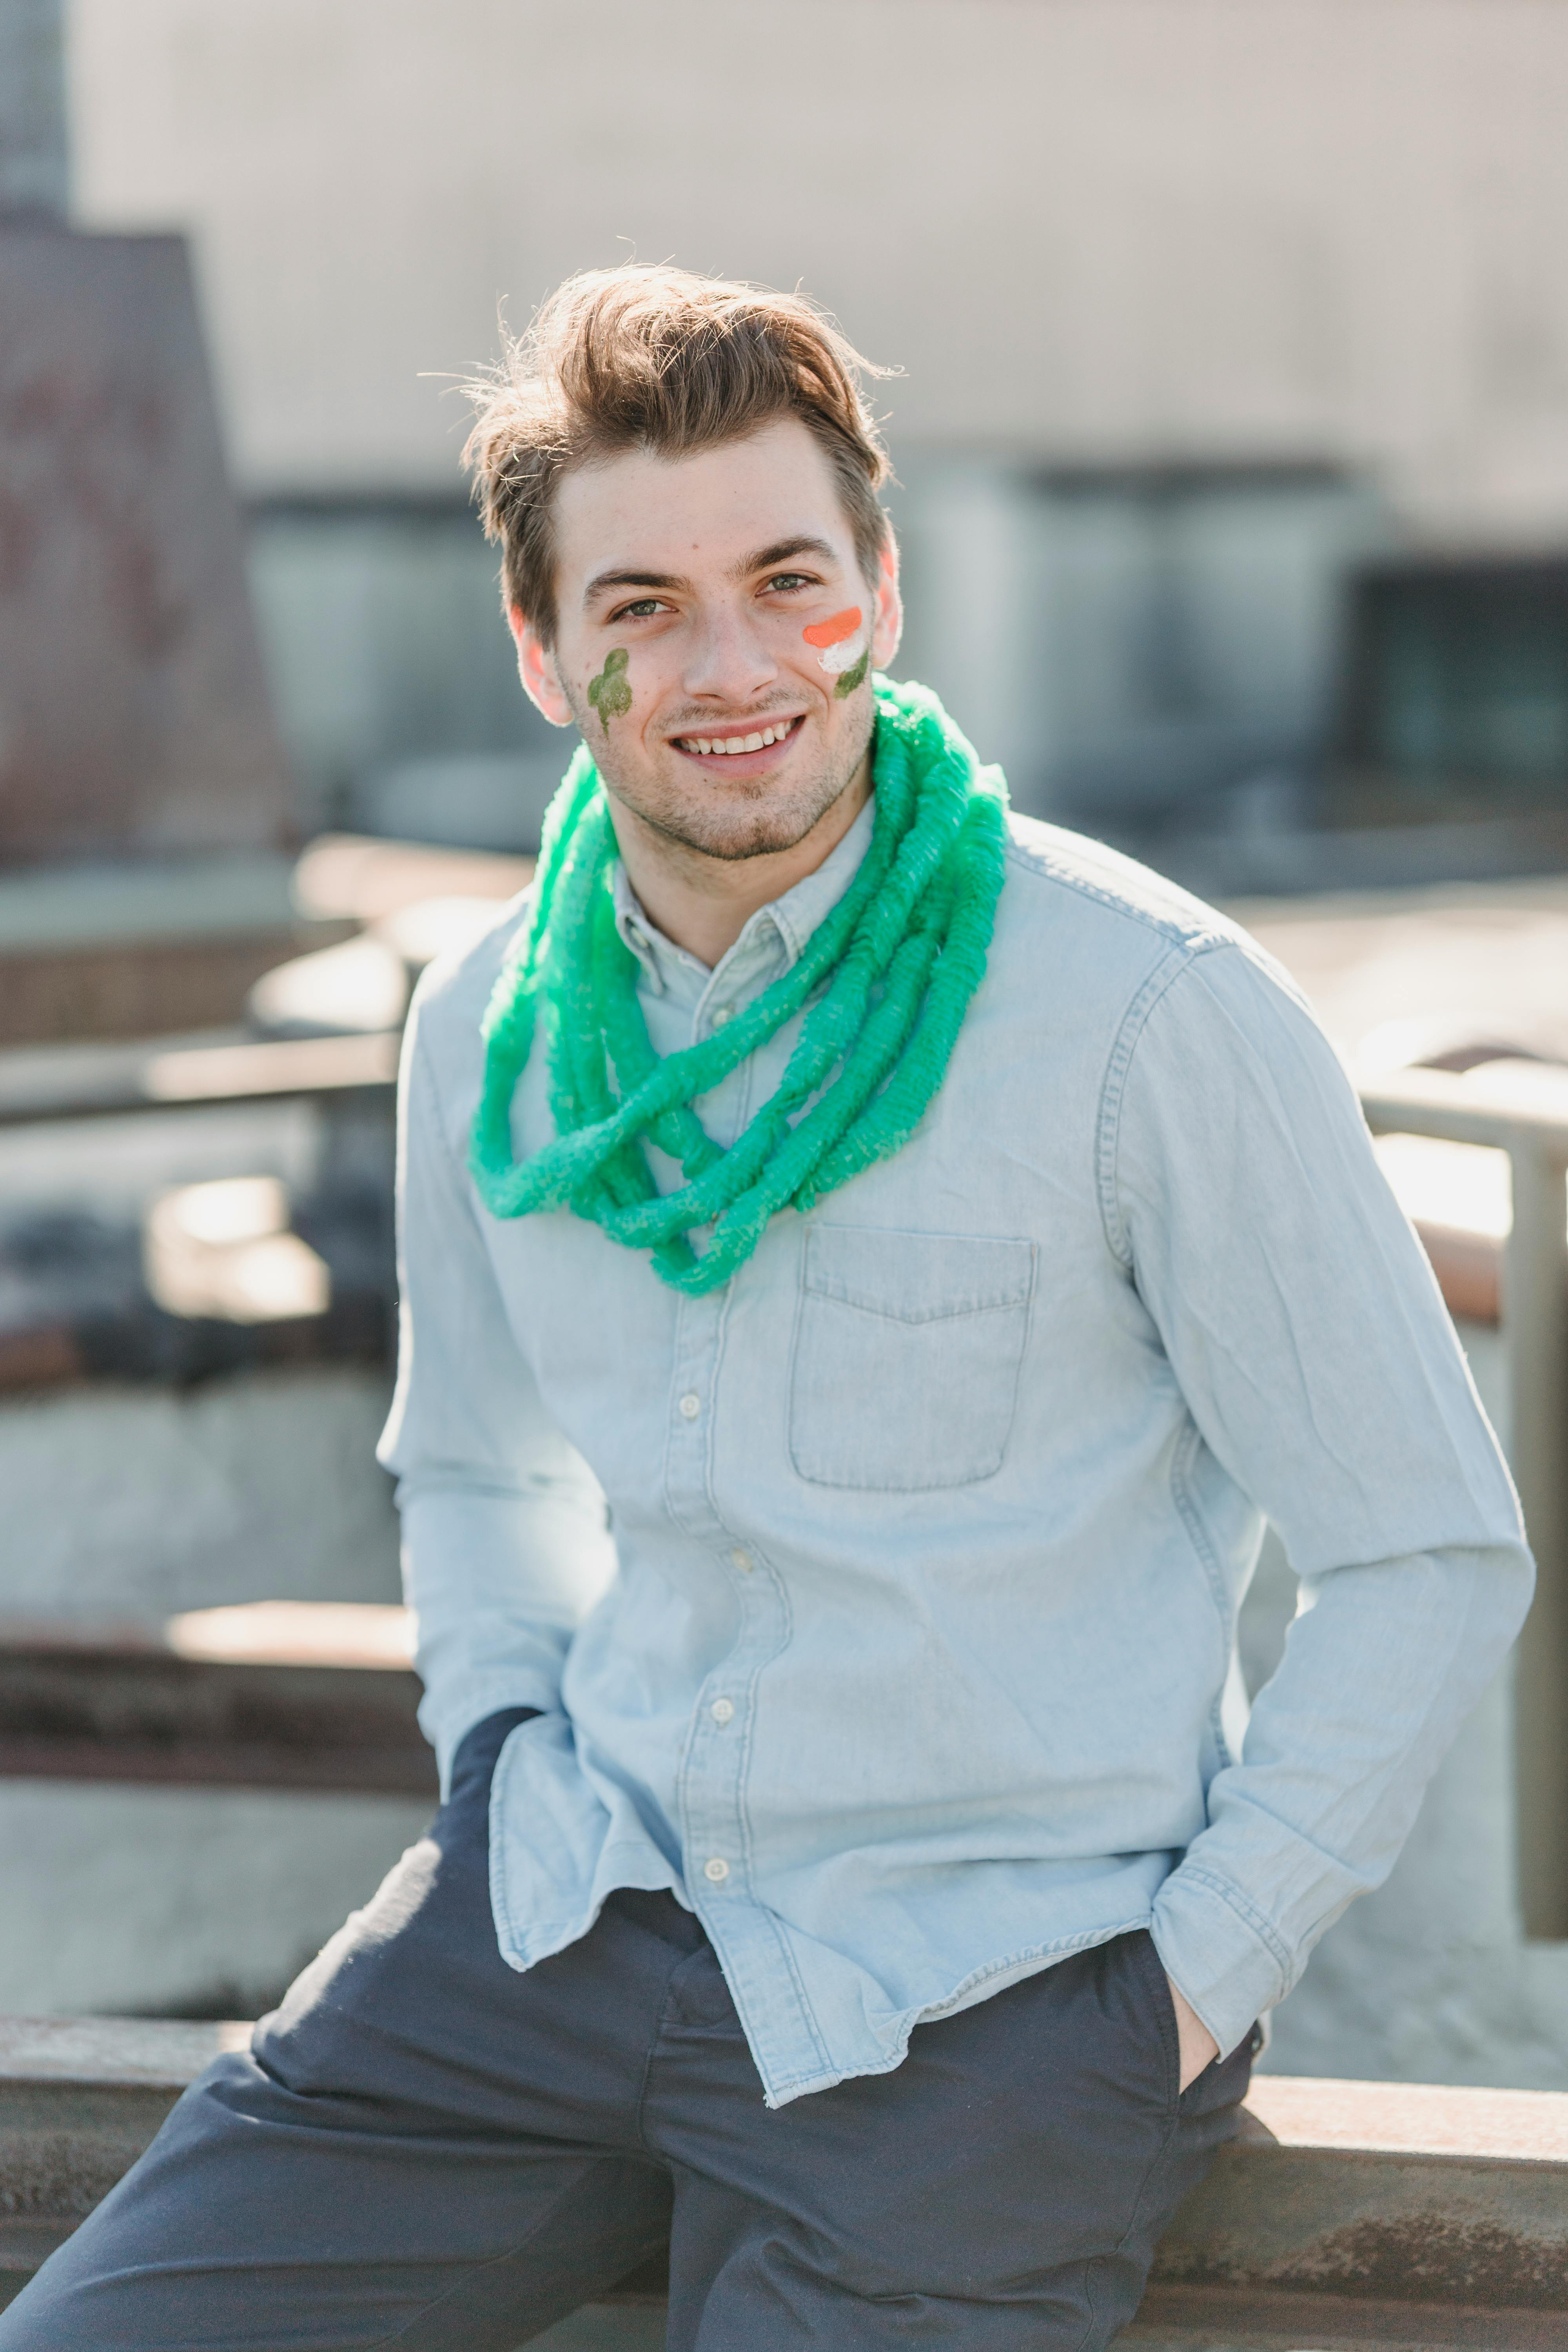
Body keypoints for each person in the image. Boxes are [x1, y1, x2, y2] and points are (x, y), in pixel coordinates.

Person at [1, 265, 1532, 2352]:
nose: (731, 665)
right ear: (545, 652)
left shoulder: (1143, 1013)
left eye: (785, 578)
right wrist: (496, 1759)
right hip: (562, 1918)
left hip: (993, 2007)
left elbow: (1426, 1552)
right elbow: (474, 1461)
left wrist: (1177, 2000)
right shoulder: (490, 1031)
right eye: (642, 606)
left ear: (880, 594)